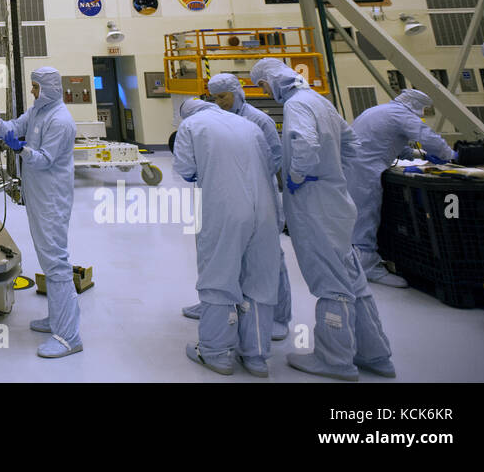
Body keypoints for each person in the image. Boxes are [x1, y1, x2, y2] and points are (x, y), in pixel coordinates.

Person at [250, 59, 394, 380]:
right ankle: (375, 354)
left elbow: (305, 143)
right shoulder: (319, 100)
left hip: (313, 207)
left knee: (330, 283)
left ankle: (335, 359)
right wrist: (333, 173)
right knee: (352, 278)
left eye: (262, 85)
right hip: (337, 201)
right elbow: (352, 144)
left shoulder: (297, 106)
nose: (264, 91)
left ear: (273, 79)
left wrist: (300, 176)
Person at [172, 98, 280, 377]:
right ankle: (256, 357)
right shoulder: (247, 124)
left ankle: (216, 353)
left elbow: (184, 170)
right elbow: (270, 162)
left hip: (225, 208)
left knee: (219, 276)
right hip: (265, 209)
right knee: (259, 280)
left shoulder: (191, 125)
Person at [181, 73, 291, 341]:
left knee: (267, 261)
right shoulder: (219, 119)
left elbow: (274, 158)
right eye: (215, 98)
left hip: (257, 195)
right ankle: (222, 305)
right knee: (223, 257)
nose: (220, 102)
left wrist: (240, 178)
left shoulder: (257, 120)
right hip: (221, 196)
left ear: (237, 91)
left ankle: (278, 316)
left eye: (223, 96)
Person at [0, 67, 83, 358]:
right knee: (48, 261)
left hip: (52, 200)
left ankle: (68, 337)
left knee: (57, 264)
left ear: (49, 88)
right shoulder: (39, 111)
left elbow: (44, 161)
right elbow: (14, 128)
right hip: (39, 198)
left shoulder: (61, 121)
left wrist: (20, 151)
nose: (32, 91)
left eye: (36, 87)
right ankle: (56, 319)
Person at [347, 89, 454, 287]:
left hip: (354, 165)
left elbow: (391, 143)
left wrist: (420, 155)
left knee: (358, 215)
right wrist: (451, 156)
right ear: (416, 106)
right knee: (366, 215)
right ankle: (368, 266)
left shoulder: (379, 111)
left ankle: (357, 261)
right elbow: (429, 138)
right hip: (366, 168)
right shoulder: (401, 115)